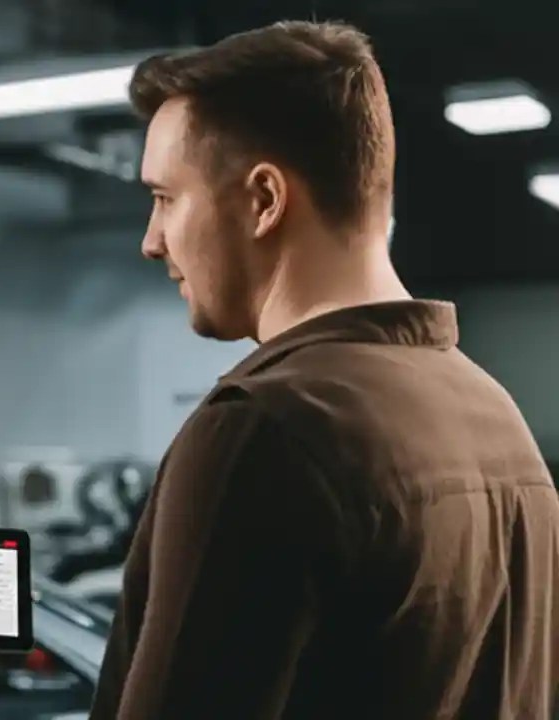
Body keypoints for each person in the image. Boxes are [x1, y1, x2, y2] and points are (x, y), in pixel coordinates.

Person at [89, 20, 559, 720]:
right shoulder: (495, 413)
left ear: (264, 200)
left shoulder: (265, 428)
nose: (152, 241)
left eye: (165, 198)